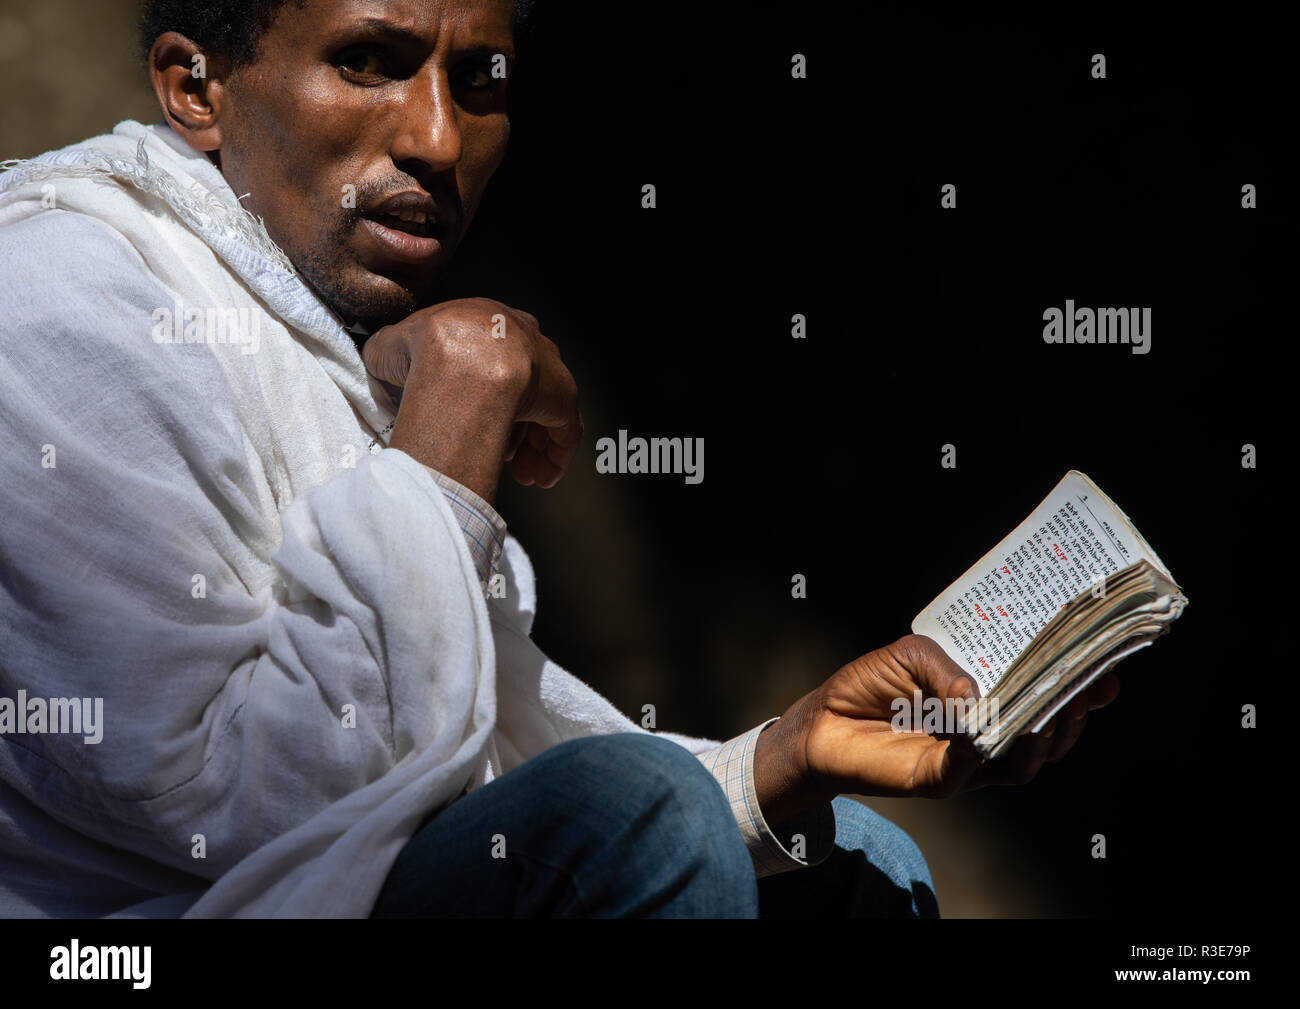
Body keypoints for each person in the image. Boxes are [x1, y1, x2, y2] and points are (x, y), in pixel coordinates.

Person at [0, 0, 1118, 917]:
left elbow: (473, 771)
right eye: (370, 63)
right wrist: (453, 412)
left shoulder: (282, 312)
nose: (438, 138)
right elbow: (275, 818)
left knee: (859, 858)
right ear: (196, 87)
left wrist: (782, 755)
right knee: (637, 815)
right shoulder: (54, 298)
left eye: (479, 80)